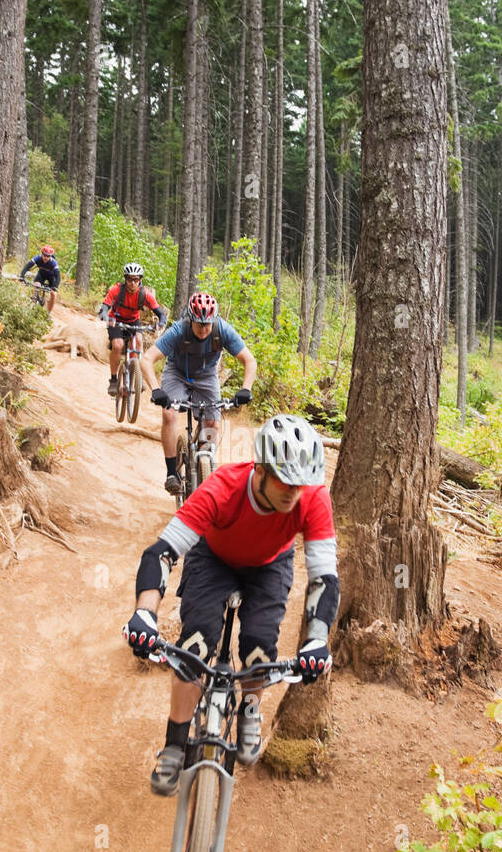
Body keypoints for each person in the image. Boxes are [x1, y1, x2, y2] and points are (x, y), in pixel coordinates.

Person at [122, 414, 339, 796]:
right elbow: (161, 552)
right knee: (194, 648)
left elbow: (324, 578)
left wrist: (317, 640)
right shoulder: (222, 486)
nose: (294, 491)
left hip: (271, 564)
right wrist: (144, 613)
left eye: (301, 483)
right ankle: (175, 743)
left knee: (259, 646)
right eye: (285, 479)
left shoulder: (312, 497)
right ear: (260, 469)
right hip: (214, 557)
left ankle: (250, 711)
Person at [138, 292, 256, 495]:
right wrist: (156, 390)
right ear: (191, 319)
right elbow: (147, 359)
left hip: (206, 375)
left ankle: (204, 463)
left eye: (207, 324)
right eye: (199, 324)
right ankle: (171, 473)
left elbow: (249, 360)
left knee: (213, 423)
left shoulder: (222, 330)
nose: (204, 329)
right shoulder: (178, 331)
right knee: (169, 414)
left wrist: (246, 388)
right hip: (176, 372)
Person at [98, 262, 169, 397]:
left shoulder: (144, 294)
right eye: (130, 279)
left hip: (133, 322)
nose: (132, 282)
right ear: (125, 279)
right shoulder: (117, 290)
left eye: (136, 279)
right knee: (117, 346)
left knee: (138, 342)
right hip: (116, 321)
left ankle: (136, 374)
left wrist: (161, 323)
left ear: (140, 280)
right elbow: (105, 307)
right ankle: (113, 380)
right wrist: (106, 317)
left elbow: (160, 312)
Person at [20, 244, 61, 315]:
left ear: (50, 256)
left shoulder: (53, 262)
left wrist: (55, 287)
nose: (45, 257)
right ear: (42, 254)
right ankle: (33, 302)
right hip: (41, 275)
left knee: (53, 294)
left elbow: (58, 276)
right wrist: (22, 276)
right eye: (44, 255)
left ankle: (49, 312)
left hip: (51, 277)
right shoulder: (38, 258)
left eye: (48, 256)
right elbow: (27, 266)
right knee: (36, 285)